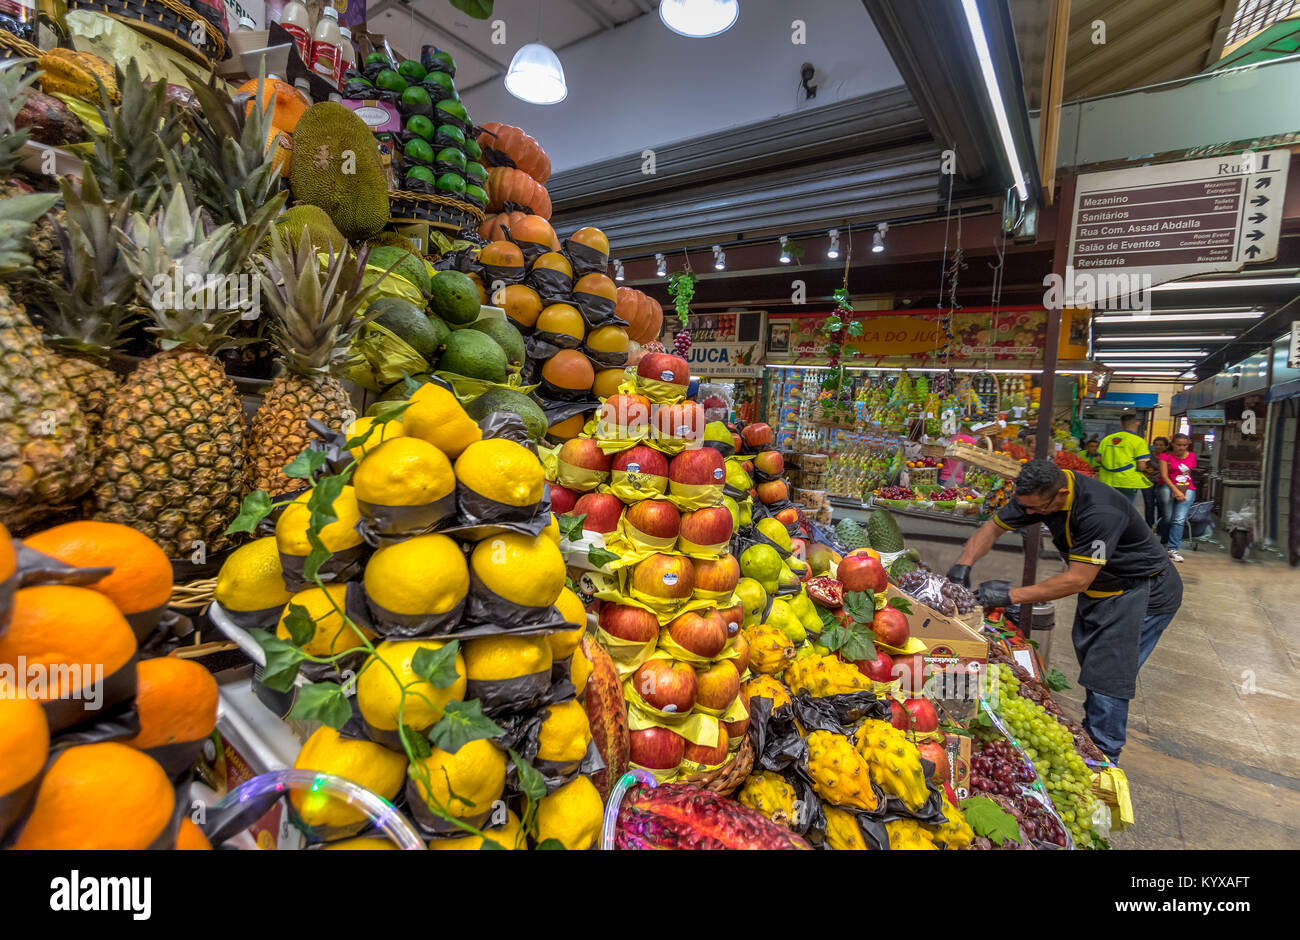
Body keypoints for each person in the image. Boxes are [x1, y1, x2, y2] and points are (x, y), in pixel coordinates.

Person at [948, 459, 1182, 763]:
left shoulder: (1099, 512)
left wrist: (1009, 596)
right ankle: (1092, 737)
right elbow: (993, 527)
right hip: (1102, 591)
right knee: (1094, 664)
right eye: (1026, 508)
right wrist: (963, 564)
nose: (1029, 514)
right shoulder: (1035, 498)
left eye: (1037, 509)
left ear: (1060, 494)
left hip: (1142, 590)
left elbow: (1077, 579)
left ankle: (1103, 759)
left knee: (1109, 676)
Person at [1096, 414, 1151, 514]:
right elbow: (1141, 466)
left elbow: (1098, 459)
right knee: (1125, 510)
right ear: (1137, 424)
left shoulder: (1107, 439)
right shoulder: (1139, 441)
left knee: (1108, 508)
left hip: (1107, 480)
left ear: (1121, 425)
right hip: (1128, 481)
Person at [1158, 433, 1198, 562]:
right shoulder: (1165, 456)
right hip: (1167, 486)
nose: (1182, 447)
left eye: (1185, 445)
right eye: (1179, 445)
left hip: (1187, 488)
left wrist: (1182, 490)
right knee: (1168, 518)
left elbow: (1187, 474)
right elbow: (1164, 476)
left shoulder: (1192, 456)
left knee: (1179, 519)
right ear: (1173, 444)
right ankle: (1164, 542)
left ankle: (1173, 548)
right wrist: (1176, 490)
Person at [1147, 436, 1170, 534]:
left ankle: (1160, 528)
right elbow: (1143, 467)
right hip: (1148, 482)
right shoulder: (1149, 456)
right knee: (1149, 505)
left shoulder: (1168, 457)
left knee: (1162, 505)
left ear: (1166, 446)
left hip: (1162, 483)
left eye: (1161, 445)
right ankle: (1149, 527)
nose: (1158, 447)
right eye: (1156, 445)